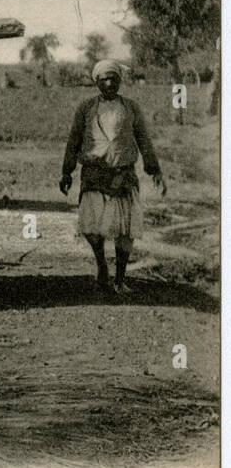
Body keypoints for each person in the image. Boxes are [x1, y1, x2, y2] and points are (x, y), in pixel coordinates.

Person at [59, 59, 165, 294]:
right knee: (90, 227)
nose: (109, 83)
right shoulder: (86, 108)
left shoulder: (131, 107)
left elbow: (143, 140)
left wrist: (154, 169)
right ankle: (101, 265)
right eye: (104, 79)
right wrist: (66, 171)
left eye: (114, 78)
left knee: (125, 229)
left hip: (123, 174)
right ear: (97, 82)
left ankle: (119, 279)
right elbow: (74, 140)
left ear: (119, 81)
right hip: (94, 174)